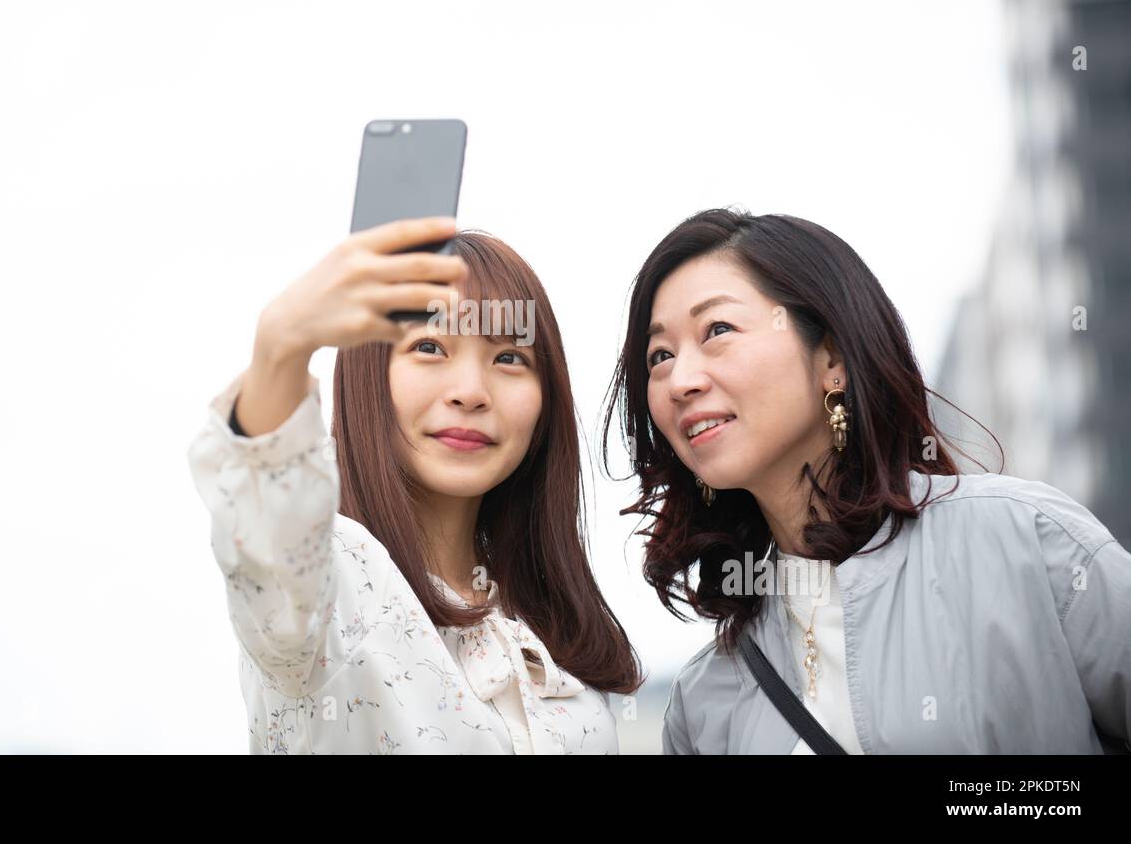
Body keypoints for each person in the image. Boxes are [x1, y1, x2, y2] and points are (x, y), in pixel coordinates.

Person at [601, 206, 1131, 754]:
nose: (680, 380)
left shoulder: (1023, 543)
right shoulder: (703, 703)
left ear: (831, 356)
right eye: (659, 356)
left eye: (718, 330)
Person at [188, 216, 642, 753]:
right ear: (366, 378)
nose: (471, 392)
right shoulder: (331, 579)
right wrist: (282, 347)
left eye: (509, 358)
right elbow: (267, 525)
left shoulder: (545, 628)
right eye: (429, 348)